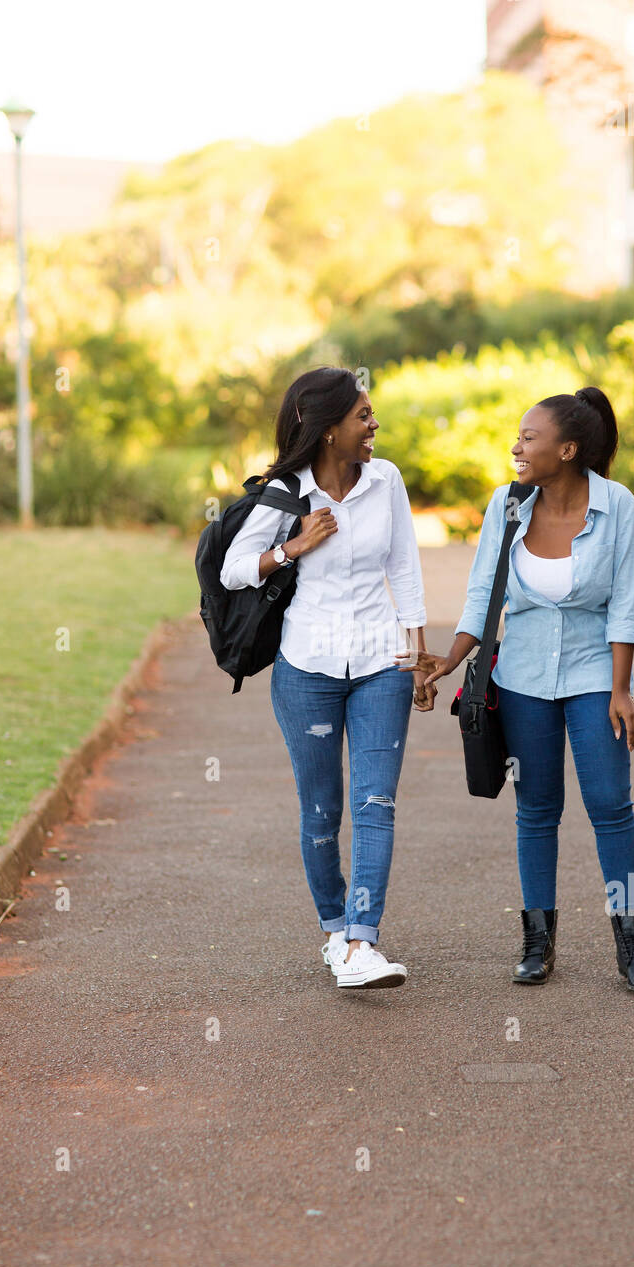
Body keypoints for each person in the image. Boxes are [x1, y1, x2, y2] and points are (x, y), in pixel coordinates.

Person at [410, 386, 634, 992]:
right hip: (520, 676)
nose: (516, 447)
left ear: (568, 449)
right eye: (519, 437)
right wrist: (449, 660)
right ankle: (537, 944)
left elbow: (626, 605)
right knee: (536, 810)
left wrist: (621, 691)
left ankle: (633, 948)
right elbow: (482, 595)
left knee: (610, 805)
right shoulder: (509, 504)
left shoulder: (617, 505)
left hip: (594, 675)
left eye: (529, 438)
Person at [220, 366, 434, 990]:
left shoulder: (386, 480)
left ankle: (362, 942)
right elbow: (235, 570)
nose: (373, 426)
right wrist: (294, 546)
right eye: (363, 416)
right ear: (329, 430)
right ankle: (335, 930)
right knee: (321, 811)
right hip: (306, 669)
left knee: (376, 804)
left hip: (382, 665)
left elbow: (406, 566)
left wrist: (419, 657)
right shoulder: (286, 491)